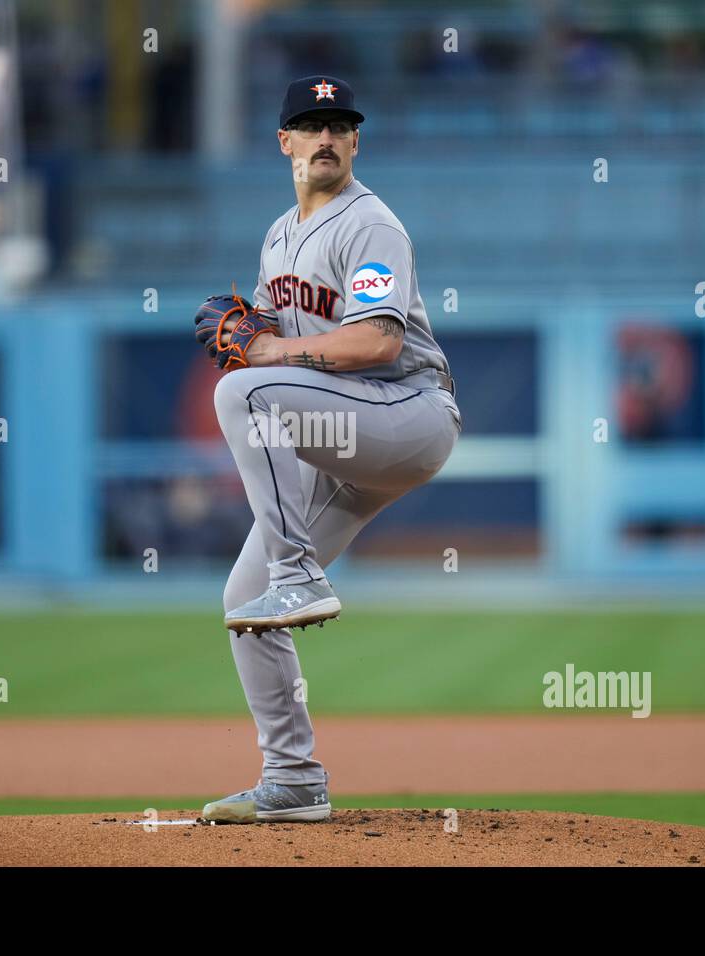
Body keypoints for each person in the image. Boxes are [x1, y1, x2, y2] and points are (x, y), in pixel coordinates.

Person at [200, 76, 462, 823]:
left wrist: (269, 348)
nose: (325, 137)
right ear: (284, 140)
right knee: (242, 603)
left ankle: (299, 572)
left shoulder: (369, 224)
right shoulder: (280, 236)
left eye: (338, 125)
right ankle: (293, 779)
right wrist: (252, 331)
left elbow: (378, 340)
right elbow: (262, 335)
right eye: (310, 125)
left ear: (355, 141)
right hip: (340, 442)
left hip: (409, 413)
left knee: (241, 391)